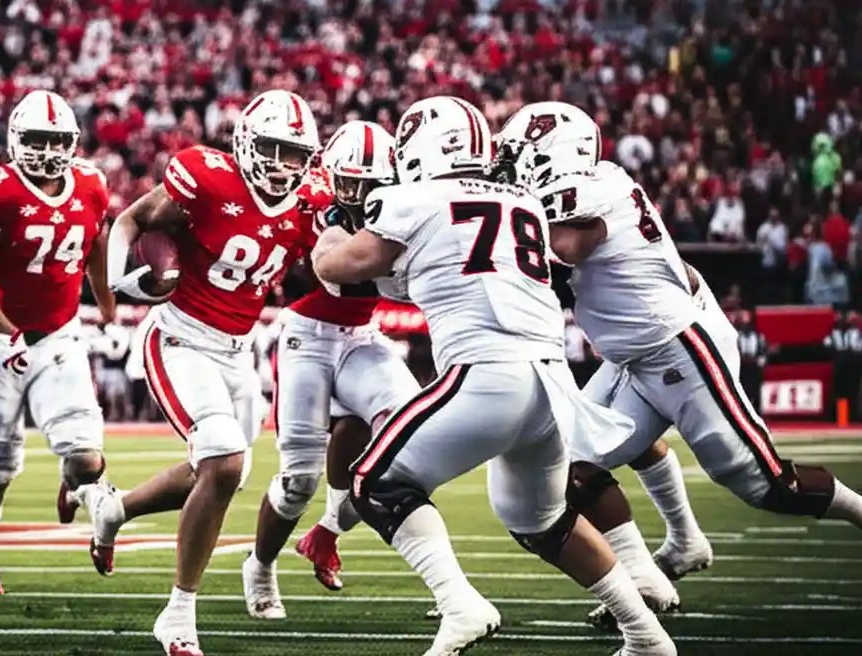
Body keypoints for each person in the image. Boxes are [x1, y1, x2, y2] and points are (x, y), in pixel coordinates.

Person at [313, 96, 675, 656]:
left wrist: (329, 229)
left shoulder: (414, 197)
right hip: (550, 387)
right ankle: (646, 635)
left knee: (373, 481)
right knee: (541, 520)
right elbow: (437, 271)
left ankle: (461, 605)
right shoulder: (524, 200)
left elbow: (340, 267)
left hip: (485, 376)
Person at [508, 101, 862, 613]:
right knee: (569, 463)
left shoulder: (597, 190)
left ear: (554, 156)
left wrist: (502, 223)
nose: (514, 166)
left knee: (766, 485)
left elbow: (565, 246)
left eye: (522, 156)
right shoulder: (591, 184)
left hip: (680, 345)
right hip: (637, 358)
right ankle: (660, 565)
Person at [87, 89, 327, 655]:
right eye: (272, 149)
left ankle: (112, 508)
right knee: (222, 461)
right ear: (244, 142)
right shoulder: (210, 179)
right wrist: (123, 283)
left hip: (237, 349)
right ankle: (177, 613)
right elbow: (131, 219)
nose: (282, 165)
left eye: (295, 154)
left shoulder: (308, 204)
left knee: (222, 474)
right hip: (178, 336)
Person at [243, 120, 420, 619]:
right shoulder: (316, 205)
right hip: (307, 337)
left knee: (407, 435)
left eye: (370, 184)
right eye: (348, 182)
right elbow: (339, 273)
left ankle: (327, 532)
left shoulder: (408, 205)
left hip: (363, 336)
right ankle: (259, 565)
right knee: (298, 479)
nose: (357, 194)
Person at [0, 89, 117, 595]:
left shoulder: (90, 184)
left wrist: (107, 303)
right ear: (15, 141)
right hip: (0, 342)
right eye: (37, 140)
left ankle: (83, 494)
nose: (48, 152)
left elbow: (95, 245)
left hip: (61, 335)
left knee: (86, 454)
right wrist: (8, 336)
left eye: (56, 141)